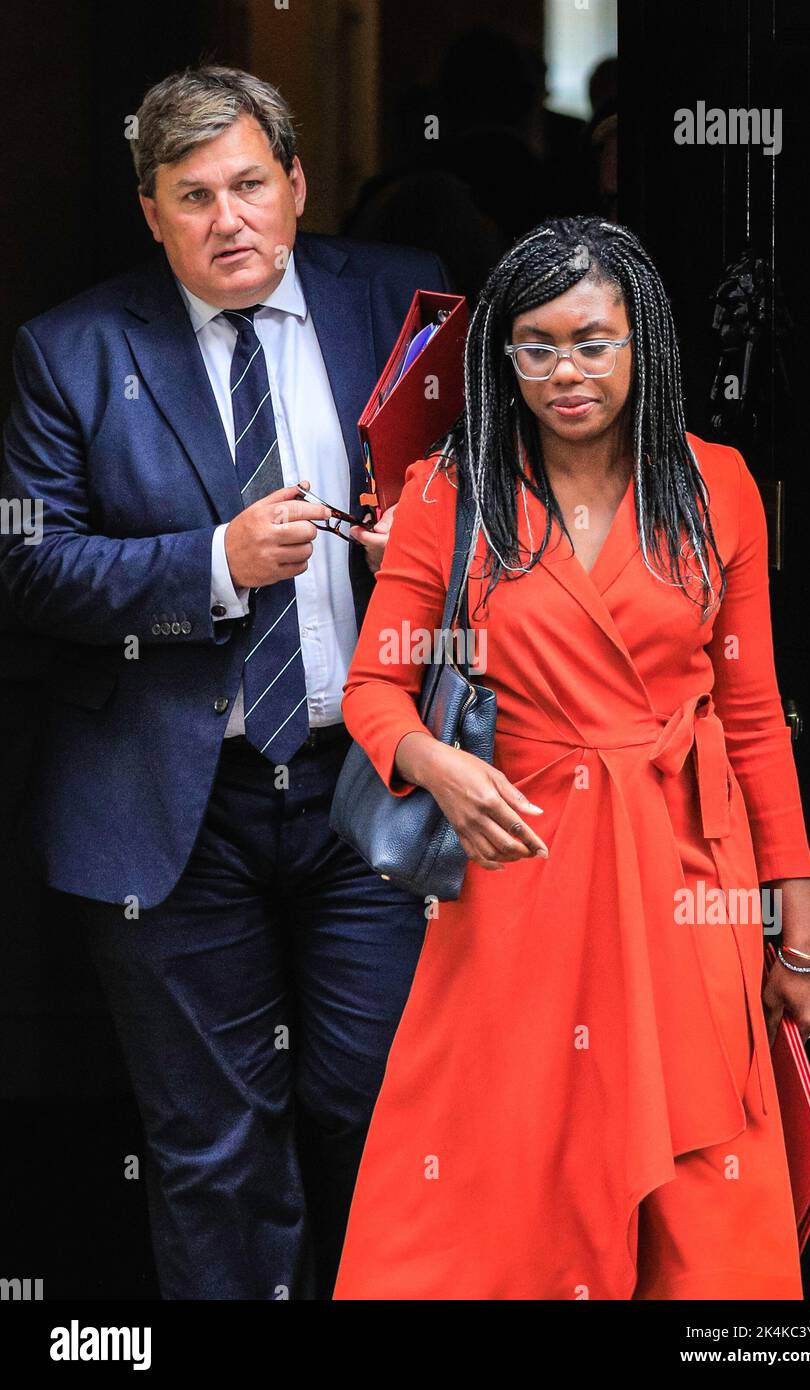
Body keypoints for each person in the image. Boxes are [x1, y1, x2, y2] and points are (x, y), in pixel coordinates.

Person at [0, 64, 450, 1300]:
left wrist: (426, 538)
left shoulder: (408, 308)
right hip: (167, 809)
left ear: (298, 185)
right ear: (151, 211)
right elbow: (26, 568)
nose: (228, 218)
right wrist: (211, 562)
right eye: (192, 195)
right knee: (212, 1149)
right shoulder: (71, 349)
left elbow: (509, 520)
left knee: (389, 1111)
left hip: (374, 792)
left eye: (251, 184)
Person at [331, 215, 810, 1300]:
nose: (567, 371)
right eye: (536, 344)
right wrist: (436, 764)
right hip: (522, 875)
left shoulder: (718, 487)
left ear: (640, 344)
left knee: (704, 1186)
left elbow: (750, 719)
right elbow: (370, 688)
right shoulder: (446, 493)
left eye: (594, 341)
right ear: (500, 357)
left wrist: (797, 918)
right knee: (502, 1170)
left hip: (687, 880)